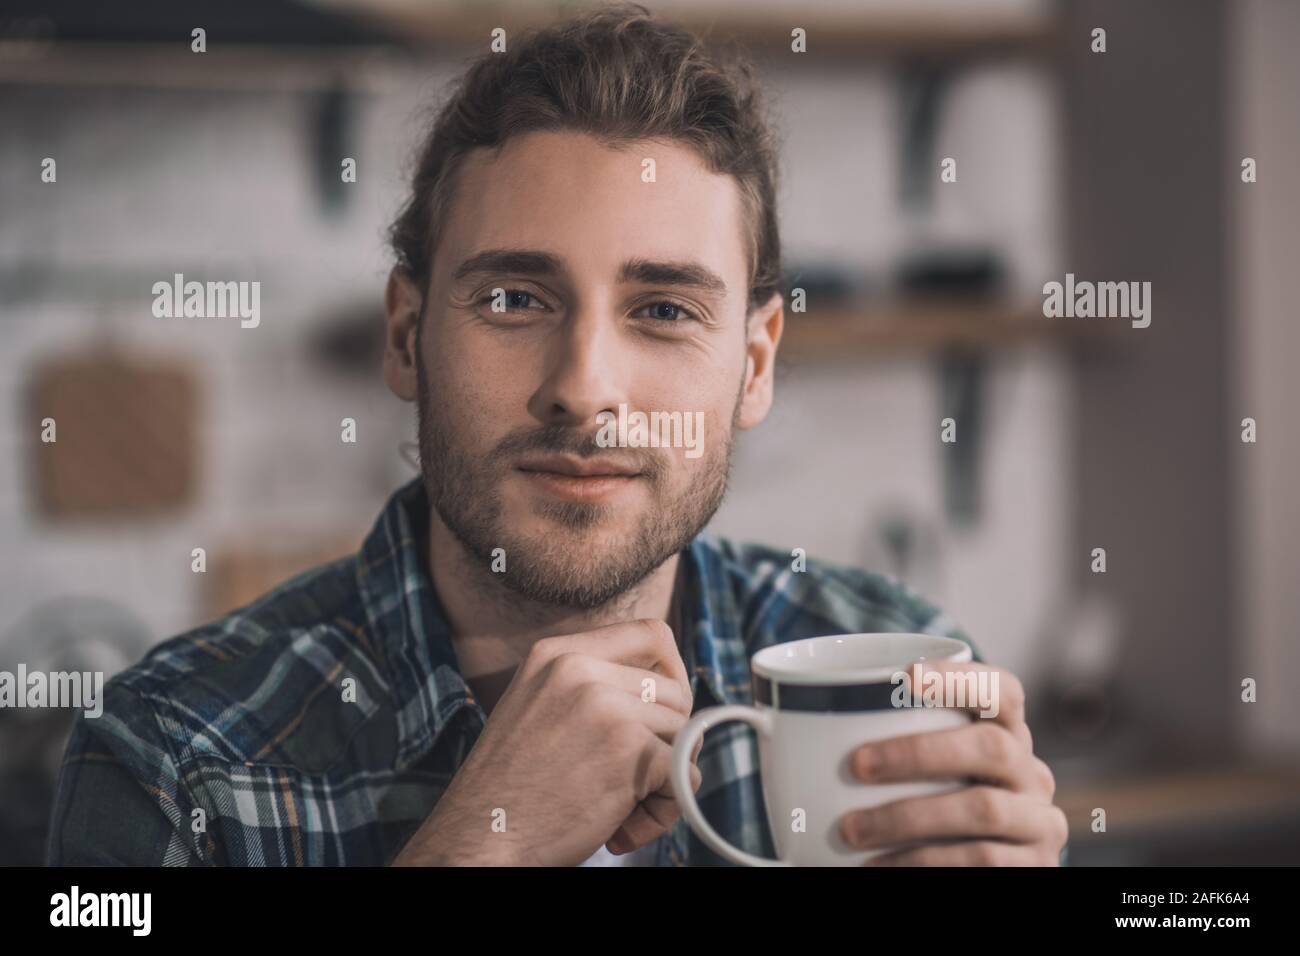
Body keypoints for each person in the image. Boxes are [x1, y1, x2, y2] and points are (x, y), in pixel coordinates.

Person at [47, 2, 1066, 867]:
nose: (583, 389)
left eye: (663, 309)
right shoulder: (169, 758)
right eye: (514, 298)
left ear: (754, 363)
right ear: (407, 337)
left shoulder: (893, 667)